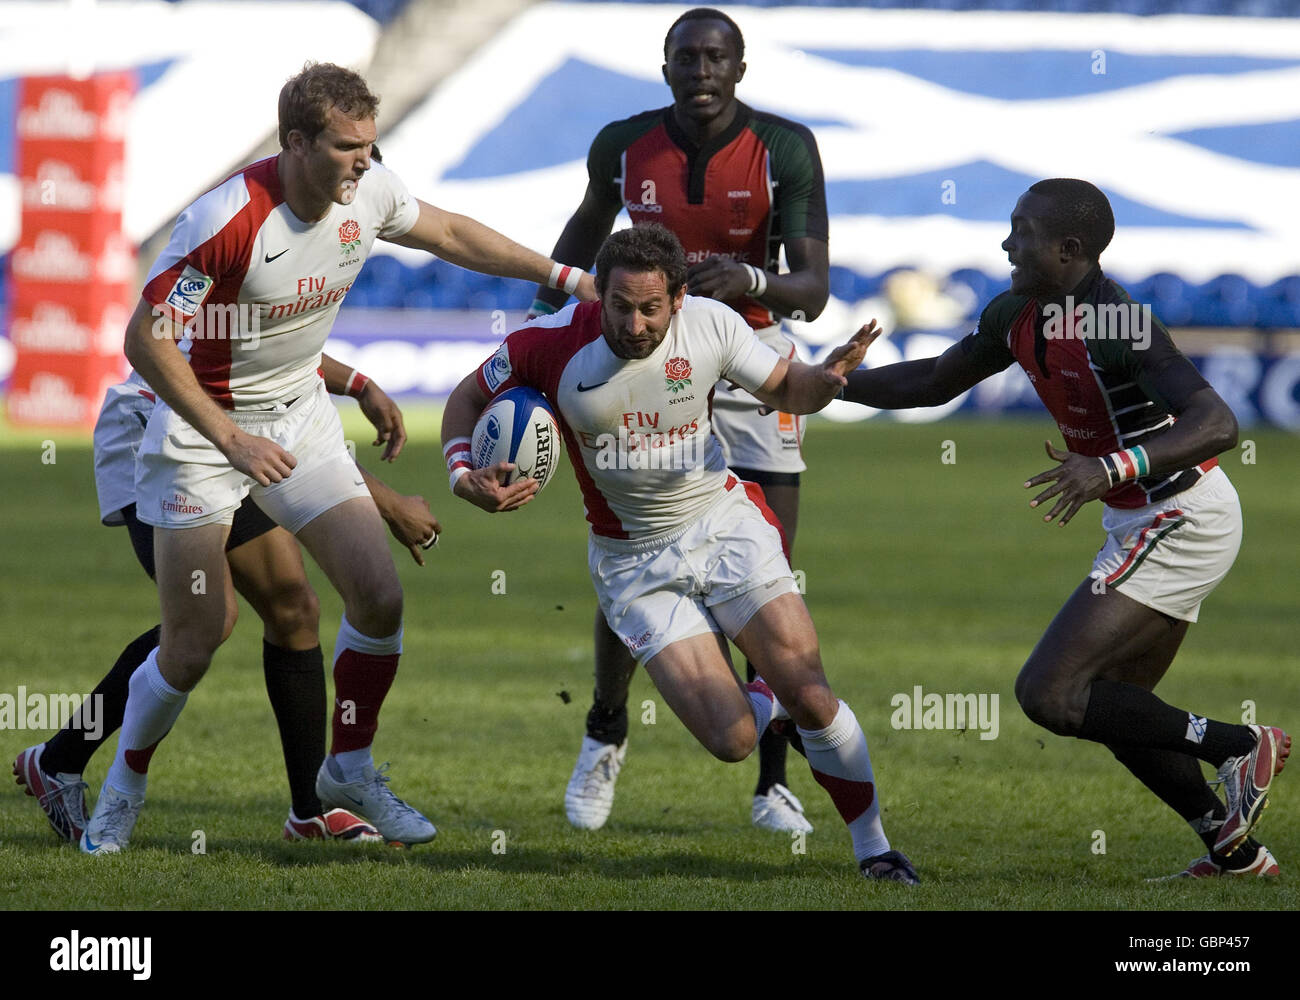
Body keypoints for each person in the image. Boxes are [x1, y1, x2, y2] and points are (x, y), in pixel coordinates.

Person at [76, 61, 598, 855]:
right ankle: (124, 785)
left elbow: (452, 234)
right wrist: (229, 437)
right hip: (202, 440)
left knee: (378, 597)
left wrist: (563, 276)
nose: (365, 161)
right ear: (295, 143)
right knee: (188, 646)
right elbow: (143, 341)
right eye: (349, 147)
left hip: (303, 420)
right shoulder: (226, 220)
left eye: (371, 146)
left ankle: (346, 769)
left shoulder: (370, 191)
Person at [839, 178, 1289, 879]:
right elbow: (932, 382)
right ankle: (1234, 852)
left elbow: (1218, 425)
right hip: (1145, 516)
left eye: (1020, 231)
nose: (1006, 244)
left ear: (1068, 248)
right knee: (1115, 708)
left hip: (1181, 515)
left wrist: (1107, 469)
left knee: (1050, 693)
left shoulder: (1118, 321)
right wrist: (826, 383)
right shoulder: (1016, 312)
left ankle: (1238, 745)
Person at [443, 224, 918, 883]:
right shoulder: (545, 346)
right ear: (598, 295)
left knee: (810, 692)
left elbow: (786, 388)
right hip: (634, 564)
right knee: (733, 741)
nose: (634, 324)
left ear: (679, 299)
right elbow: (468, 398)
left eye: (650, 308)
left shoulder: (713, 327)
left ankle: (875, 850)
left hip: (723, 527)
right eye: (619, 306)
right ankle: (764, 698)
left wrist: (828, 377)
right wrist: (462, 475)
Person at [529, 6, 829, 833]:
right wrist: (539, 317)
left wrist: (752, 281)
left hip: (751, 361)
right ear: (664, 67)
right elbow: (582, 241)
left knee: (769, 580)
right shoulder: (622, 146)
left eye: (717, 57)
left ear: (740, 68)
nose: (702, 70)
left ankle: (771, 784)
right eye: (686, 57)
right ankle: (606, 726)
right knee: (635, 550)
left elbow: (813, 288)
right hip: (649, 359)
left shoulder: (787, 147)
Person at [14, 357, 433, 846]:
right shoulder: (205, 282)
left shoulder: (301, 285)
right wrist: (387, 502)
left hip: (234, 435)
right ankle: (59, 760)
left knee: (293, 609)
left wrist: (360, 384)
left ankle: (310, 812)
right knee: (203, 622)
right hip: (163, 430)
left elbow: (284, 344)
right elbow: (232, 359)